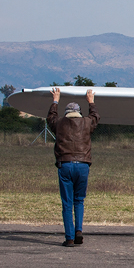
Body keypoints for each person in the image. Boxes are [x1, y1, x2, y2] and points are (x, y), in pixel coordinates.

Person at [47, 88, 99, 247]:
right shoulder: (87, 123)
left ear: (66, 113)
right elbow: (95, 117)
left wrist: (55, 100)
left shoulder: (59, 123)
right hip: (83, 165)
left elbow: (51, 118)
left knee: (67, 203)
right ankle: (78, 230)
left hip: (65, 165)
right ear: (79, 113)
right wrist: (91, 102)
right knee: (79, 200)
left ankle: (69, 238)